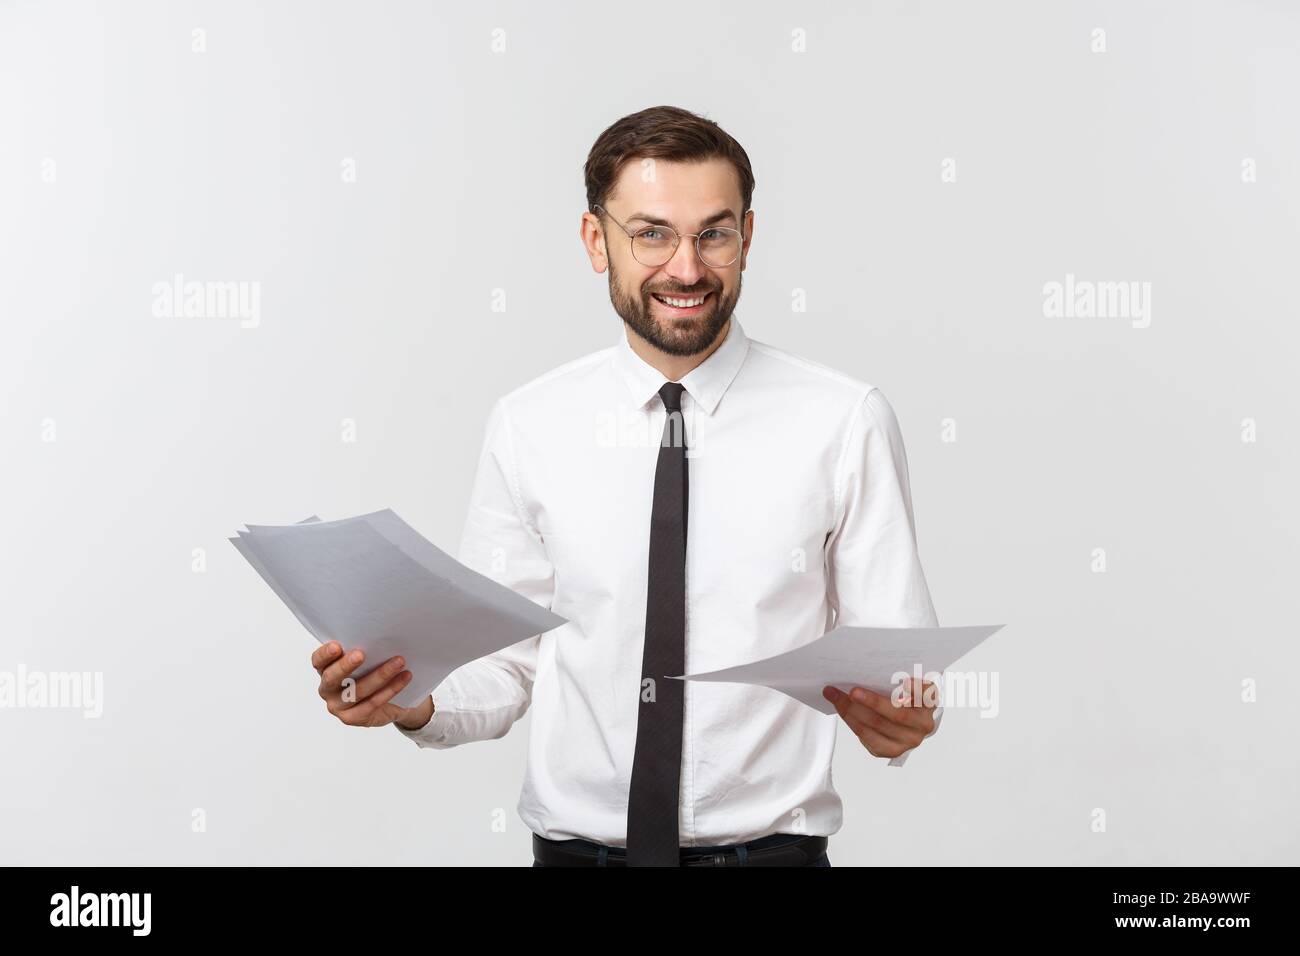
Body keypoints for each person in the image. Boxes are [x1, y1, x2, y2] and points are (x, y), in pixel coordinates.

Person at [310, 105, 942, 867]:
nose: (686, 268)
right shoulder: (529, 424)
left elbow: (899, 667)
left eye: (714, 233)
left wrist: (907, 713)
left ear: (748, 236)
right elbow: (504, 663)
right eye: (651, 234)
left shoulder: (844, 421)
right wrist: (413, 701)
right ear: (594, 240)